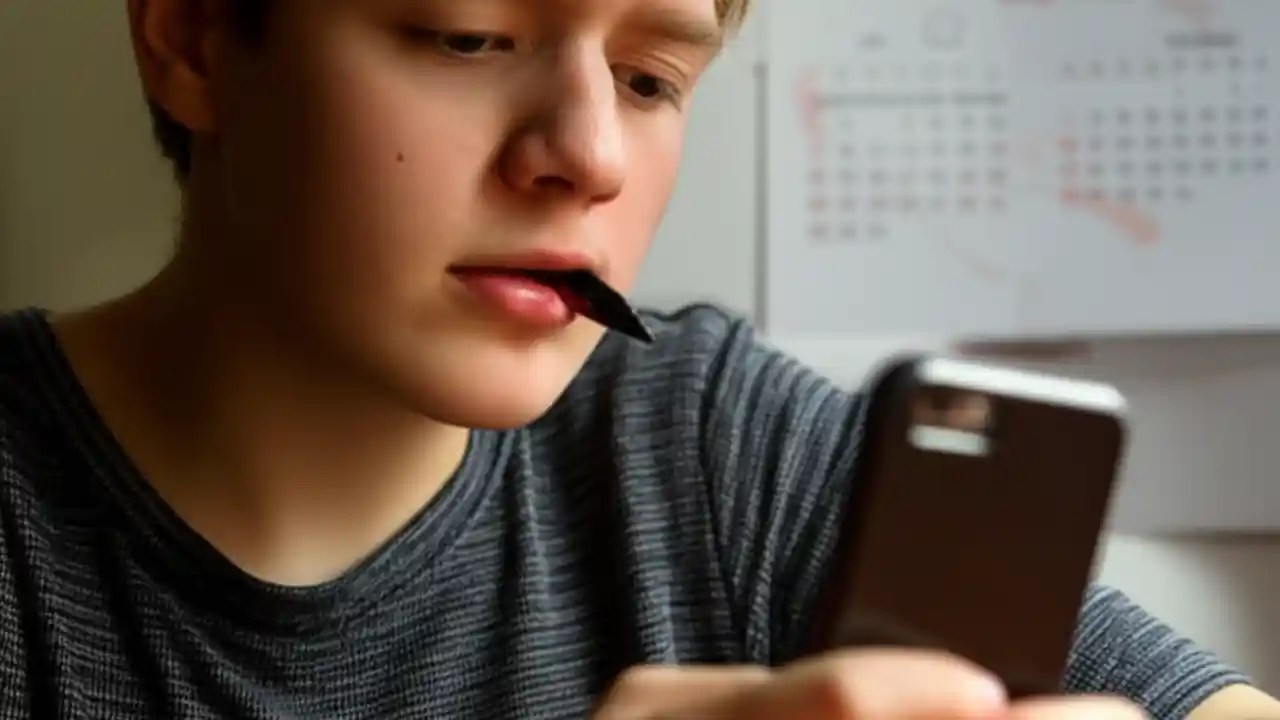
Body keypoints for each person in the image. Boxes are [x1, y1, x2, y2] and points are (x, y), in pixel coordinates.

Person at [0, 0, 1276, 717]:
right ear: (193, 41)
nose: (590, 155)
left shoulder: (707, 444)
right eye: (465, 35)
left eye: (650, 79)